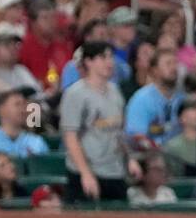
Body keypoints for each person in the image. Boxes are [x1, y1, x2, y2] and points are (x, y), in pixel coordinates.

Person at [59, 40, 138, 202]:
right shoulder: (75, 94)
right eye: (103, 57)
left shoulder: (115, 91)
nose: (110, 62)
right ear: (88, 62)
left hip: (115, 171)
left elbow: (119, 132)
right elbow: (71, 137)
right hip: (88, 173)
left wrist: (130, 159)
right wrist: (85, 173)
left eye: (111, 57)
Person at [0, 90, 51, 158]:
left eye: (24, 104)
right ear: (1, 109)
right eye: (17, 104)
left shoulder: (37, 142)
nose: (23, 109)